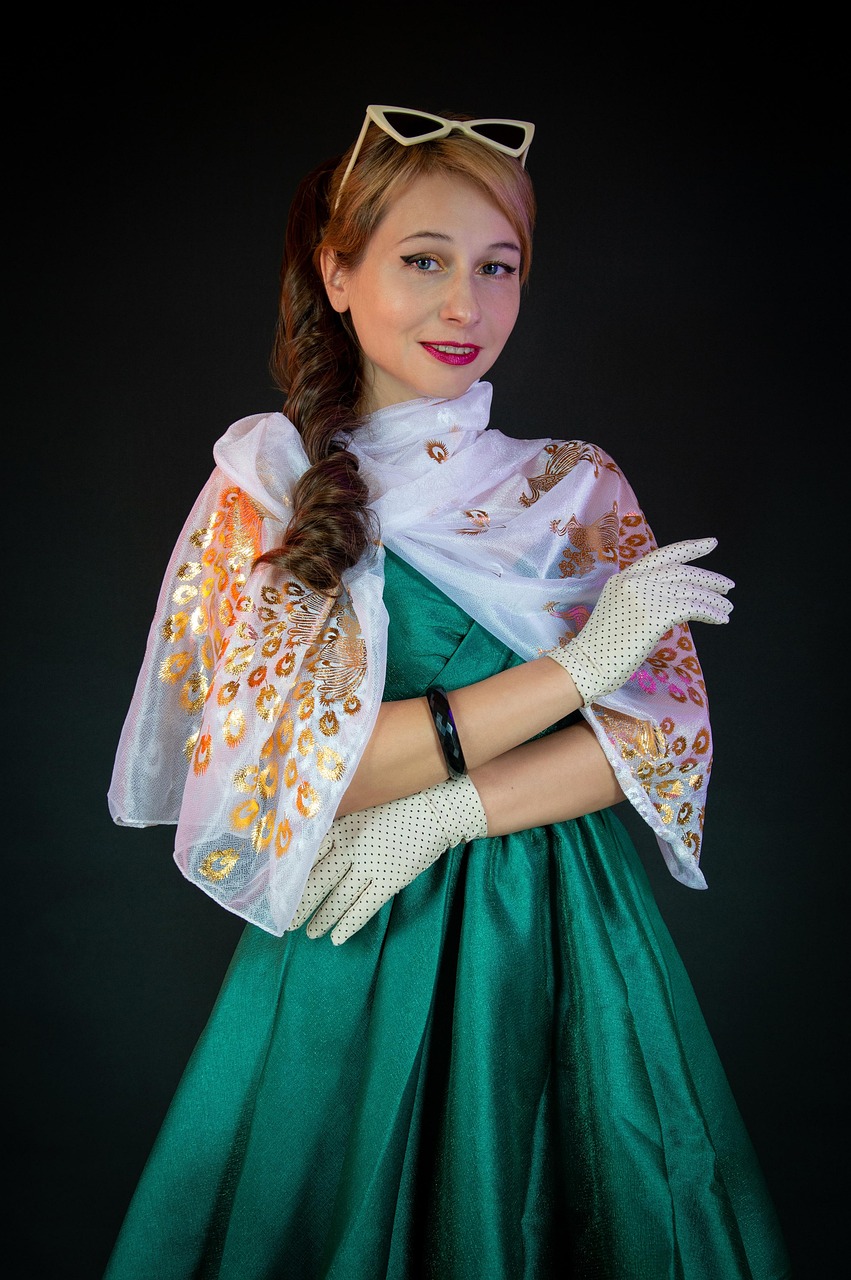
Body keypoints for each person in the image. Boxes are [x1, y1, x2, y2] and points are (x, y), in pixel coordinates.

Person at [104, 105, 790, 1278]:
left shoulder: (574, 486)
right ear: (335, 270)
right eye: (422, 260)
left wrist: (456, 806)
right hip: (358, 921)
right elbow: (317, 773)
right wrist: (575, 669)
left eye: (497, 267)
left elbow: (654, 739)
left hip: (564, 930)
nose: (463, 306)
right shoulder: (267, 487)